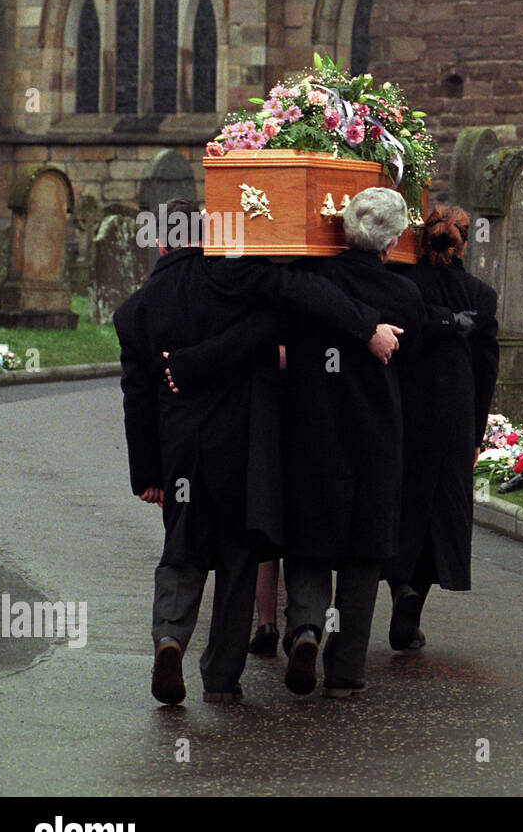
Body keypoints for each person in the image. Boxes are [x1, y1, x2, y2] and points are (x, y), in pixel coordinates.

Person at [114, 198, 399, 705]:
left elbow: (136, 398)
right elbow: (300, 294)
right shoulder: (235, 276)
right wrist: (365, 325)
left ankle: (170, 636)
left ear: (159, 242)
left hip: (182, 450)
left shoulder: (135, 310)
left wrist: (148, 475)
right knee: (240, 555)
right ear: (209, 233)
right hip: (246, 442)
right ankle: (222, 680)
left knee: (182, 550)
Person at [276, 188, 467, 698]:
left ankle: (309, 627)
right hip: (376, 436)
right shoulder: (404, 296)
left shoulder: (312, 279)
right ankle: (344, 672)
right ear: (394, 239)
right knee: (363, 557)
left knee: (310, 544)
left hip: (314, 429)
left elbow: (287, 289)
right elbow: (414, 357)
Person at [384, 204, 499, 650]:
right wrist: (475, 432)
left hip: (403, 413)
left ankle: (400, 588)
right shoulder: (480, 295)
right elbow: (486, 369)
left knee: (401, 505)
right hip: (453, 414)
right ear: (464, 243)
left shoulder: (401, 284)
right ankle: (412, 604)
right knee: (439, 509)